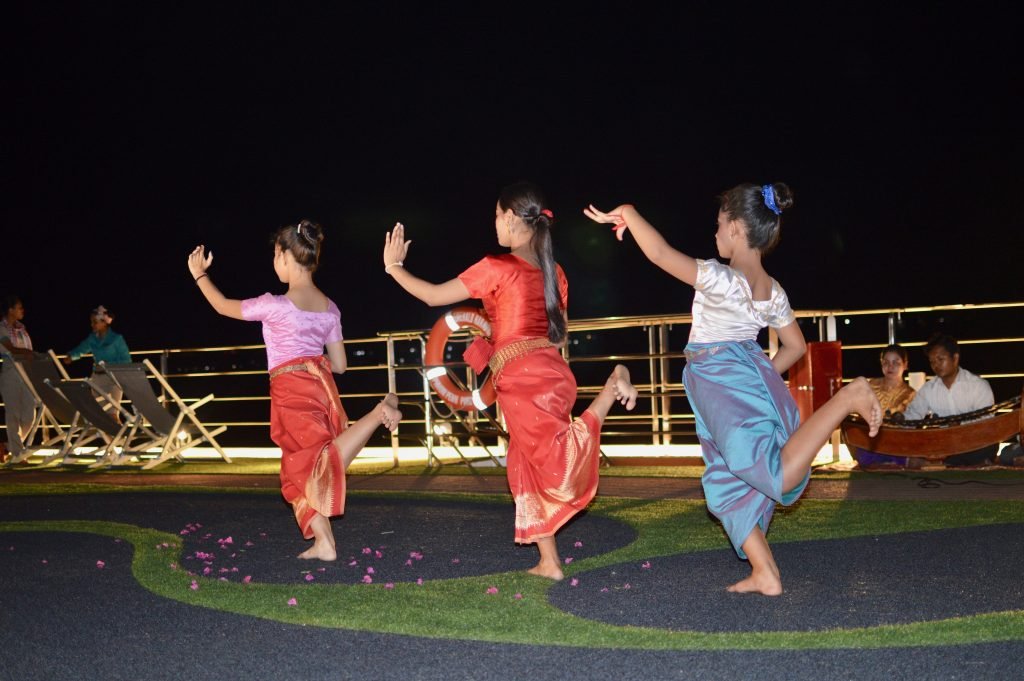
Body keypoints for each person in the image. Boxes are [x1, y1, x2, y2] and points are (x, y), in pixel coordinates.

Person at [584, 183, 881, 596]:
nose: (716, 232)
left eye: (720, 224)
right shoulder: (772, 291)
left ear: (738, 228)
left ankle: (847, 398)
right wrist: (757, 379)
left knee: (772, 474)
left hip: (720, 378)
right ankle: (765, 572)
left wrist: (629, 213)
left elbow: (659, 255)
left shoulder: (722, 279)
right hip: (730, 382)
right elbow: (795, 347)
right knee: (722, 487)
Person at [382, 181, 638, 581]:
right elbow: (557, 335)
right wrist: (496, 343)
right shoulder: (555, 271)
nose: (494, 224)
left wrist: (393, 268)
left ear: (512, 217)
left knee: (556, 461)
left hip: (524, 381)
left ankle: (610, 386)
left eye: (497, 216)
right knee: (522, 465)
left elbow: (434, 296)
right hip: (551, 373)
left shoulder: (497, 267)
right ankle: (549, 561)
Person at [187, 219, 403, 561]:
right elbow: (342, 365)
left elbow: (222, 305)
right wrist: (310, 360)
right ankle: (324, 542)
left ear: (284, 255)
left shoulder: (274, 304)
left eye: (275, 255)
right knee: (298, 469)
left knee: (307, 464)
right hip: (321, 386)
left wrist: (199, 274)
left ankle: (379, 412)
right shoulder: (330, 307)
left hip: (290, 388)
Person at [904, 333, 997, 467]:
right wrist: (898, 421)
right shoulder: (929, 389)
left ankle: (947, 463)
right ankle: (954, 463)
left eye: (940, 359)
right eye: (932, 361)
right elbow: (912, 416)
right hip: (945, 445)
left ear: (955, 358)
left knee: (989, 444)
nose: (936, 365)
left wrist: (959, 430)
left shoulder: (978, 385)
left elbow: (986, 424)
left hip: (973, 443)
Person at [852, 344, 920, 469]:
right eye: (886, 362)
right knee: (860, 448)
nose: (890, 367)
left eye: (896, 362)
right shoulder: (872, 385)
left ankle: (885, 463)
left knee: (912, 458)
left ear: (905, 365)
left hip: (896, 440)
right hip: (872, 438)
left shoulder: (910, 393)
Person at [63, 305, 132, 412]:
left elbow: (127, 360)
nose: (92, 325)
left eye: (95, 322)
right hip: (97, 379)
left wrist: (109, 365)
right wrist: (71, 356)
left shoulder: (117, 339)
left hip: (113, 379)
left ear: (104, 322)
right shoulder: (93, 338)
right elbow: (82, 349)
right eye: (91, 322)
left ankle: (118, 428)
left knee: (113, 413)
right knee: (100, 413)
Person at [0, 295, 36, 463]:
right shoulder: (2, 328)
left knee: (30, 412)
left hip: (26, 372)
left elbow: (26, 350)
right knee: (13, 413)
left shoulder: (22, 328)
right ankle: (17, 453)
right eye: (19, 307)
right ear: (10, 310)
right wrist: (27, 354)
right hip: (10, 371)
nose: (22, 310)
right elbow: (10, 348)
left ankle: (8, 446)